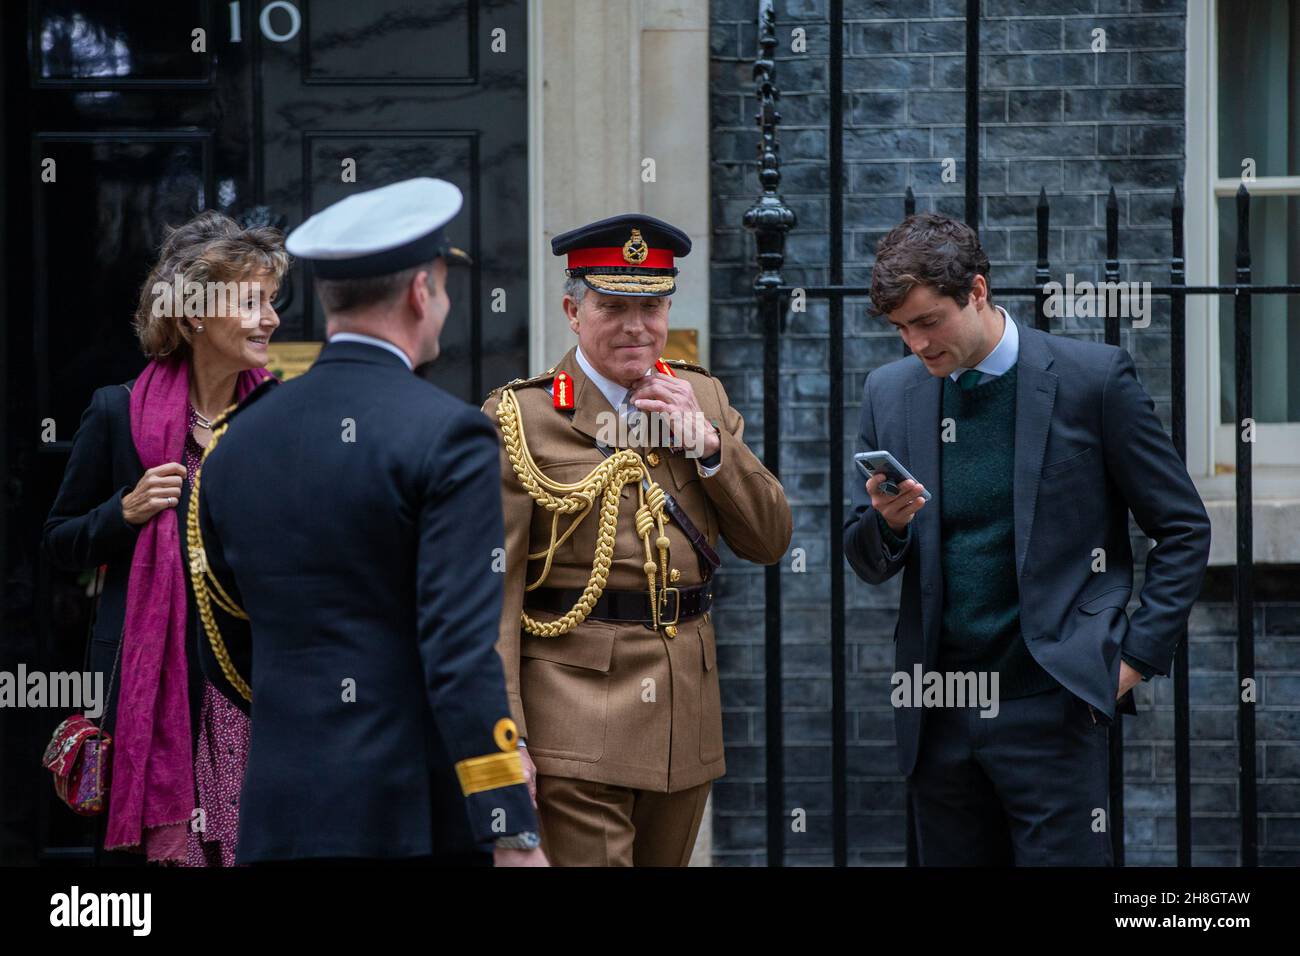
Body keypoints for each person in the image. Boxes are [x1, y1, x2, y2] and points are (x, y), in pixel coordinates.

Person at [188, 177, 544, 866]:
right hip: (407, 814)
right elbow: (460, 654)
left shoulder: (235, 443)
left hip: (279, 810)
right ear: (420, 291)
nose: (442, 304)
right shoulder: (451, 437)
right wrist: (510, 824)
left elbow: (223, 646)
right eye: (442, 287)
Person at [843, 212, 1212, 865]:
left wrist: (1129, 665)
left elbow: (1181, 526)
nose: (916, 344)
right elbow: (867, 558)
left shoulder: (1092, 380)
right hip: (938, 715)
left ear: (977, 292)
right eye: (901, 329)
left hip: (1053, 706)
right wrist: (888, 525)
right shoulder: (889, 391)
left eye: (929, 322)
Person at [481, 213, 792, 866]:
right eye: (613, 305)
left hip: (685, 715)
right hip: (573, 716)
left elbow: (769, 539)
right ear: (573, 310)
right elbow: (496, 595)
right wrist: (507, 742)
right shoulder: (523, 416)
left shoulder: (700, 396)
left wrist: (709, 446)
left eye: (651, 307)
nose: (635, 326)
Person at [43, 211, 287, 865]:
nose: (271, 320)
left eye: (272, 301)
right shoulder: (116, 413)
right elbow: (58, 541)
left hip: (255, 686)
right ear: (194, 315)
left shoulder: (278, 418)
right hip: (154, 692)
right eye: (251, 302)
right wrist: (121, 513)